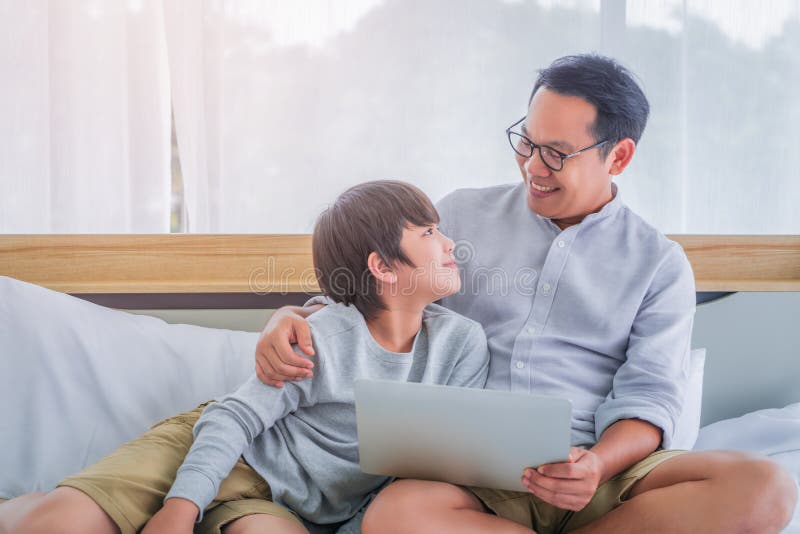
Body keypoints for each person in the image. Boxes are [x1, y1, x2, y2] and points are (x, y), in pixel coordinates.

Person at [254, 55, 798, 533]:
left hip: (603, 474)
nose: (533, 167)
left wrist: (595, 467)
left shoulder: (659, 264)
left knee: (767, 488)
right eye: (527, 143)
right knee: (393, 517)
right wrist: (292, 315)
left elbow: (650, 400)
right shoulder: (461, 215)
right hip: (473, 476)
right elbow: (379, 304)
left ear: (620, 156)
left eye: (557, 154)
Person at [0, 181, 490, 534]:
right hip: (218, 454)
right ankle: (22, 506)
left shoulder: (462, 346)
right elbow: (232, 418)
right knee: (61, 525)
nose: (449, 245)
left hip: (284, 505)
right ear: (382, 266)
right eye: (427, 233)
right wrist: (181, 508)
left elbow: (421, 473)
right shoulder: (326, 335)